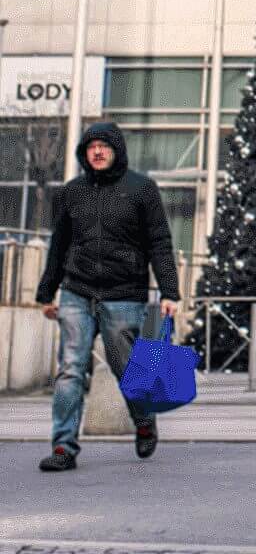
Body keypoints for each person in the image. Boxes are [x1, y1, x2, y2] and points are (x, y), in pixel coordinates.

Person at [34, 121, 180, 472]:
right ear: (84, 153)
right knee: (70, 369)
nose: (96, 151)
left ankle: (144, 420)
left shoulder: (142, 189)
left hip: (124, 293)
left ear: (117, 150)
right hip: (76, 292)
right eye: (90, 147)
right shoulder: (71, 192)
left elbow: (159, 243)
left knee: (127, 368)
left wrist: (170, 291)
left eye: (103, 145)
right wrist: (46, 292)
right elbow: (59, 244)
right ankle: (63, 447)